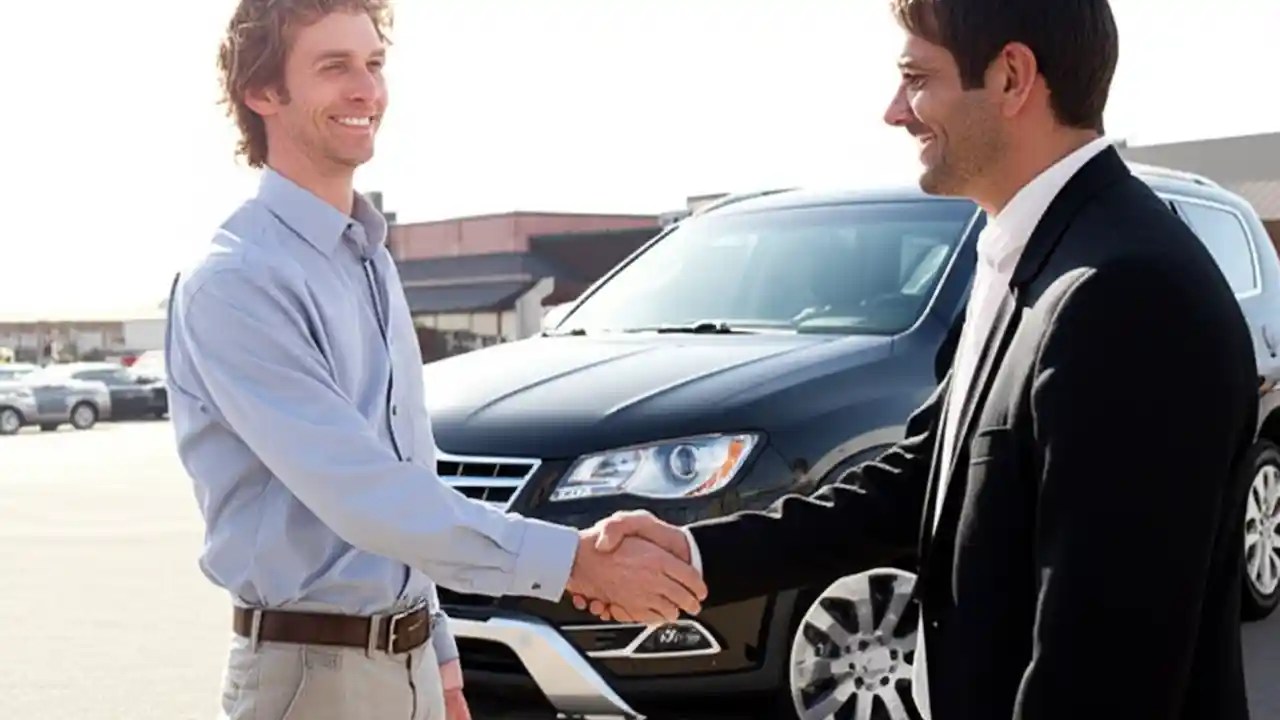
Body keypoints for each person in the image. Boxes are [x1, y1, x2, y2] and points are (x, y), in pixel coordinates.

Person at [576, 0, 1259, 718]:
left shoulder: (1125, 295)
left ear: (1012, 78)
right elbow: (924, 481)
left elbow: (1102, 673)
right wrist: (696, 556)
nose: (894, 112)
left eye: (916, 78)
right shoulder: (1025, 255)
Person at [165, 2, 705, 719]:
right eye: (335, 67)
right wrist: (573, 560)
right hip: (312, 684)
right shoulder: (237, 282)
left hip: (410, 663)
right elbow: (362, 493)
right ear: (263, 94)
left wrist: (439, 654)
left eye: (374, 64)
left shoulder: (368, 259)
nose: (367, 91)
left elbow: (409, 478)